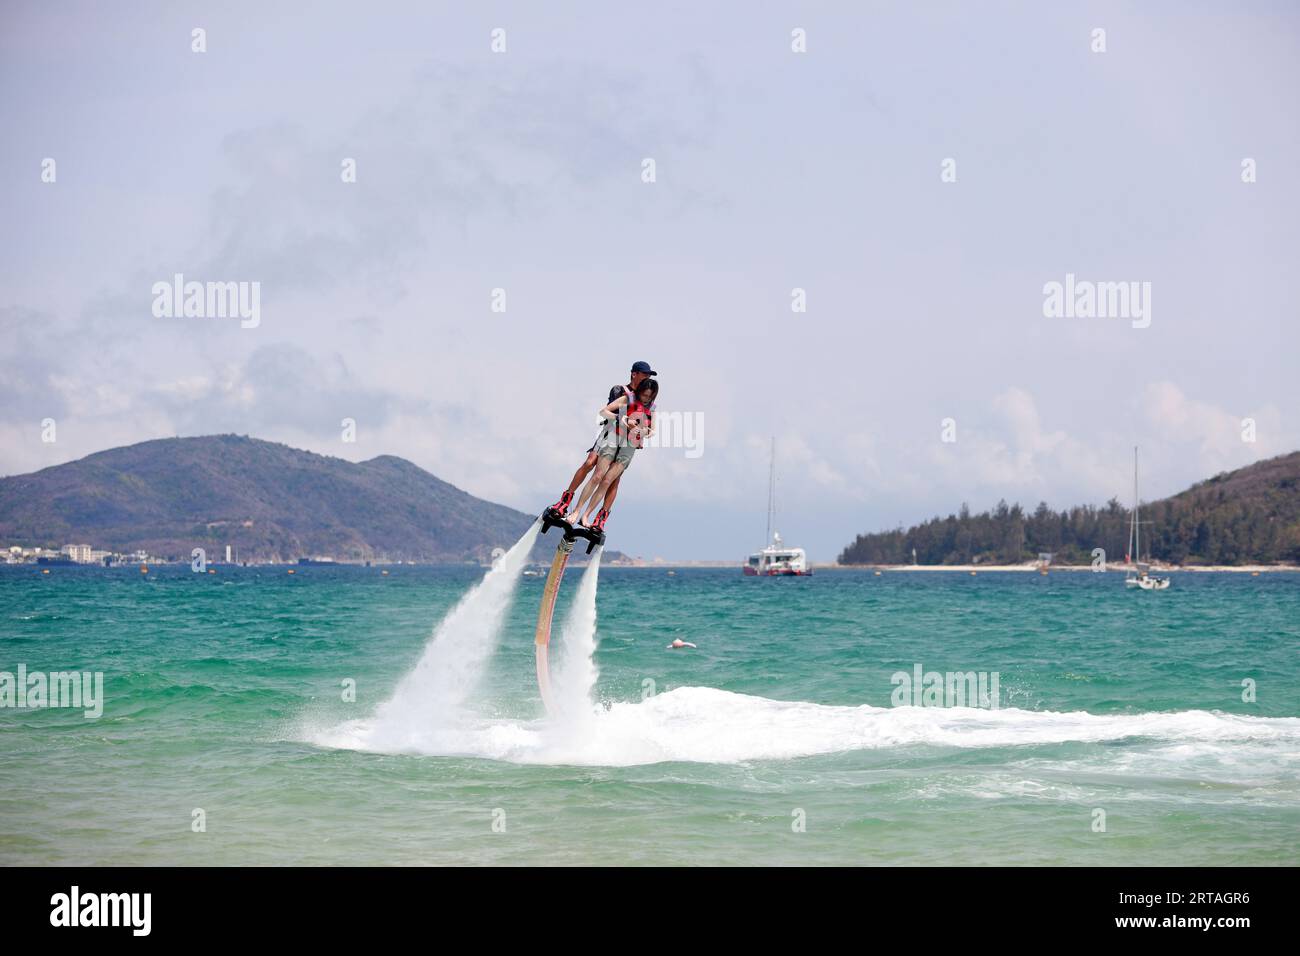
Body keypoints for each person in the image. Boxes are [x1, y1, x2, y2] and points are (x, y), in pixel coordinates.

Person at [549, 360, 657, 519]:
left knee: (613, 479)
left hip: (628, 441)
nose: (647, 377)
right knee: (590, 463)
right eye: (644, 374)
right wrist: (626, 420)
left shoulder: (649, 401)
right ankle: (566, 500)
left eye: (649, 375)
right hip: (610, 432)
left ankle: (600, 517)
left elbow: (650, 425)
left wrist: (642, 430)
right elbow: (608, 411)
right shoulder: (621, 391)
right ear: (634, 374)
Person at [567, 377, 658, 530]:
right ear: (640, 391)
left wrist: (643, 431)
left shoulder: (652, 407)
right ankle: (576, 511)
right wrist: (621, 418)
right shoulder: (627, 398)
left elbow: (652, 431)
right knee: (597, 476)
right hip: (614, 437)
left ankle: (586, 515)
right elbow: (603, 412)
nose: (645, 398)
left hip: (630, 443)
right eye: (644, 395)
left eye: (649, 396)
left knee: (608, 481)